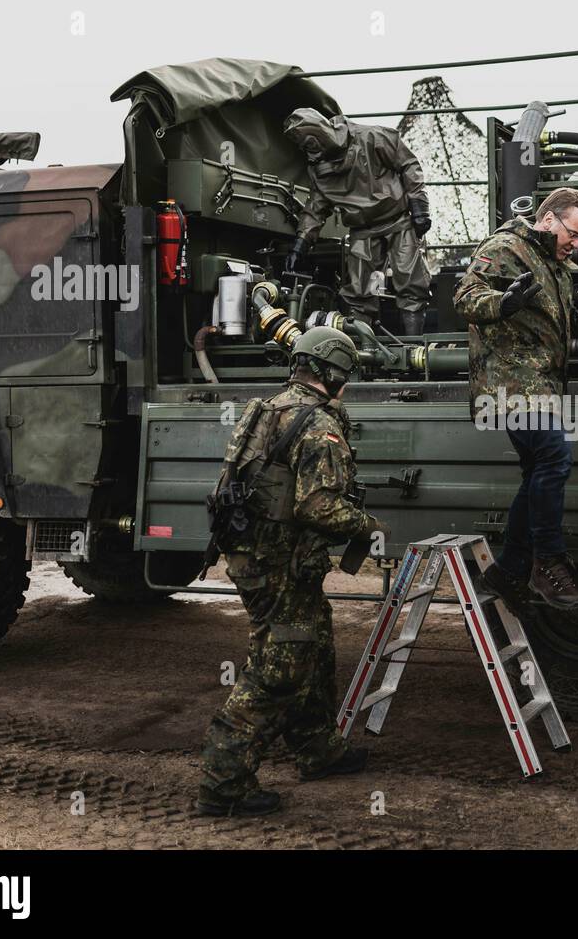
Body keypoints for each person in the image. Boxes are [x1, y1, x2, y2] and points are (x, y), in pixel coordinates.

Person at [197, 326, 387, 817]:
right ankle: (224, 783)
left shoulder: (267, 408)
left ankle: (316, 747)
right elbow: (318, 507)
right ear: (332, 373)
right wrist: (367, 525)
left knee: (315, 643)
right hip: (276, 561)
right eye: (346, 373)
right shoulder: (318, 426)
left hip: (258, 556)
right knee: (278, 669)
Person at [454, 187, 578, 611]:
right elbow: (464, 297)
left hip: (543, 384)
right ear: (549, 219)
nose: (577, 243)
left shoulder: (556, 265)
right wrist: (503, 302)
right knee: (555, 458)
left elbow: (559, 323)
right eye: (574, 233)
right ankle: (546, 562)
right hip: (509, 383)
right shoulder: (504, 247)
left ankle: (508, 568)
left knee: (539, 470)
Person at [283, 108, 432, 335]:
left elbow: (407, 163)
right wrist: (300, 243)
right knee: (359, 292)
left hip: (398, 220)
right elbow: (315, 208)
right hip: (362, 230)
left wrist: (419, 206)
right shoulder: (318, 169)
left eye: (309, 144)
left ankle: (414, 345)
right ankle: (365, 348)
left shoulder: (371, 137)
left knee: (410, 280)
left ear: (319, 134)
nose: (309, 151)